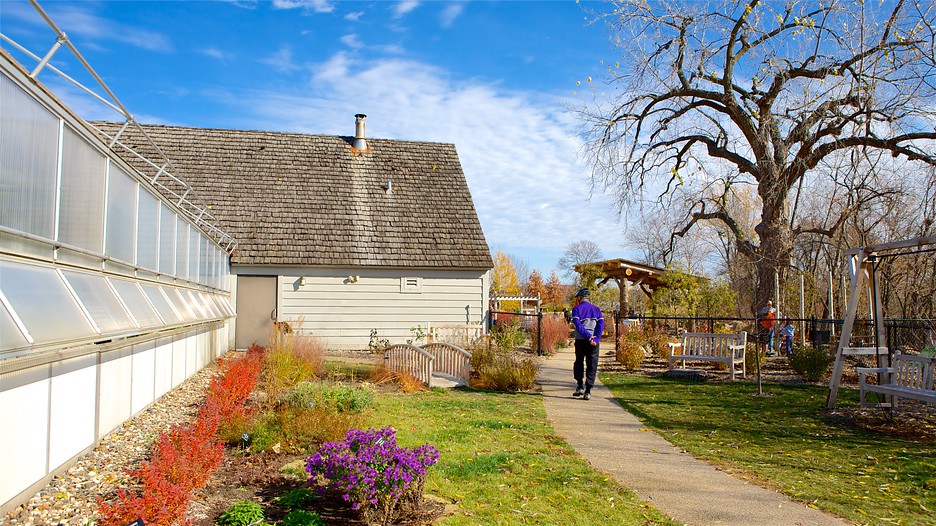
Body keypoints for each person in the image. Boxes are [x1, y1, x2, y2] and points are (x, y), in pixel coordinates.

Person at [570, 288, 604, 400]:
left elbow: (578, 325)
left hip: (580, 340)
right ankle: (588, 391)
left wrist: (587, 336)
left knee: (579, 361)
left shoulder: (576, 310)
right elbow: (600, 325)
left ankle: (580, 386)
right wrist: (596, 338)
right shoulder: (596, 309)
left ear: (580, 298)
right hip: (593, 342)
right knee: (592, 364)